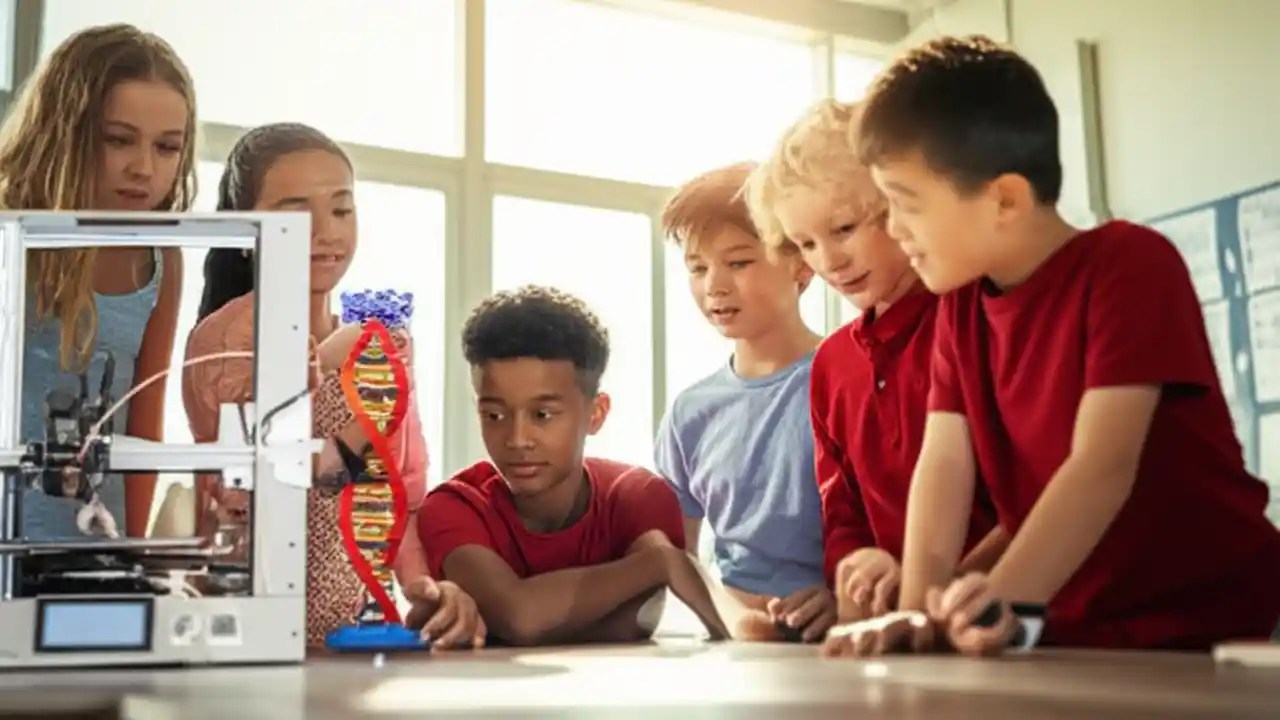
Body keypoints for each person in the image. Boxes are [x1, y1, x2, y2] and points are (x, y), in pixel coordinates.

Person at [828, 35, 1280, 657]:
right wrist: (915, 615)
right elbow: (944, 466)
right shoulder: (959, 308)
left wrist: (999, 599)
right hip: (1086, 624)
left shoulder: (1129, 264)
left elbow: (1102, 467)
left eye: (905, 205)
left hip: (1221, 617)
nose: (894, 229)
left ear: (1005, 199)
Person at [182, 123, 481, 649]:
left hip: (353, 634)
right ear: (246, 228)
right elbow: (273, 472)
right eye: (296, 213)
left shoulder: (378, 344)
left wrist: (426, 588)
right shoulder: (225, 339)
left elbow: (402, 491)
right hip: (249, 626)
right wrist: (332, 360)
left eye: (342, 210)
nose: (326, 232)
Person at [744, 99, 1002, 627]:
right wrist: (859, 571)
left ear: (898, 205)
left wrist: (928, 591)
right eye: (805, 243)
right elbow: (843, 513)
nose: (829, 261)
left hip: (1006, 605)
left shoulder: (977, 314)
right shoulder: (831, 364)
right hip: (903, 625)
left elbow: (1032, 494)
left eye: (844, 229)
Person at [420, 285, 730, 646]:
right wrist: (658, 564)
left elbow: (633, 623)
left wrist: (527, 615)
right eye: (494, 415)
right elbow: (520, 619)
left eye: (542, 414)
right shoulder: (454, 506)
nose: (517, 439)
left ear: (596, 414)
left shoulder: (637, 496)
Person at [0, 23, 193, 540]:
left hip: (91, 546)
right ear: (64, 131)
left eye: (167, 147)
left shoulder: (162, 260)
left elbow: (144, 428)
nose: (143, 167)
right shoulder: (9, 233)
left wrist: (129, 552)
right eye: (118, 140)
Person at [655, 162, 833, 642]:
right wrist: (730, 615)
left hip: (837, 634)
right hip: (732, 641)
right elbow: (677, 557)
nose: (714, 285)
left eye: (738, 262)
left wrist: (842, 596)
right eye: (697, 268)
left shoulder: (844, 379)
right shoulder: (690, 413)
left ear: (802, 264)